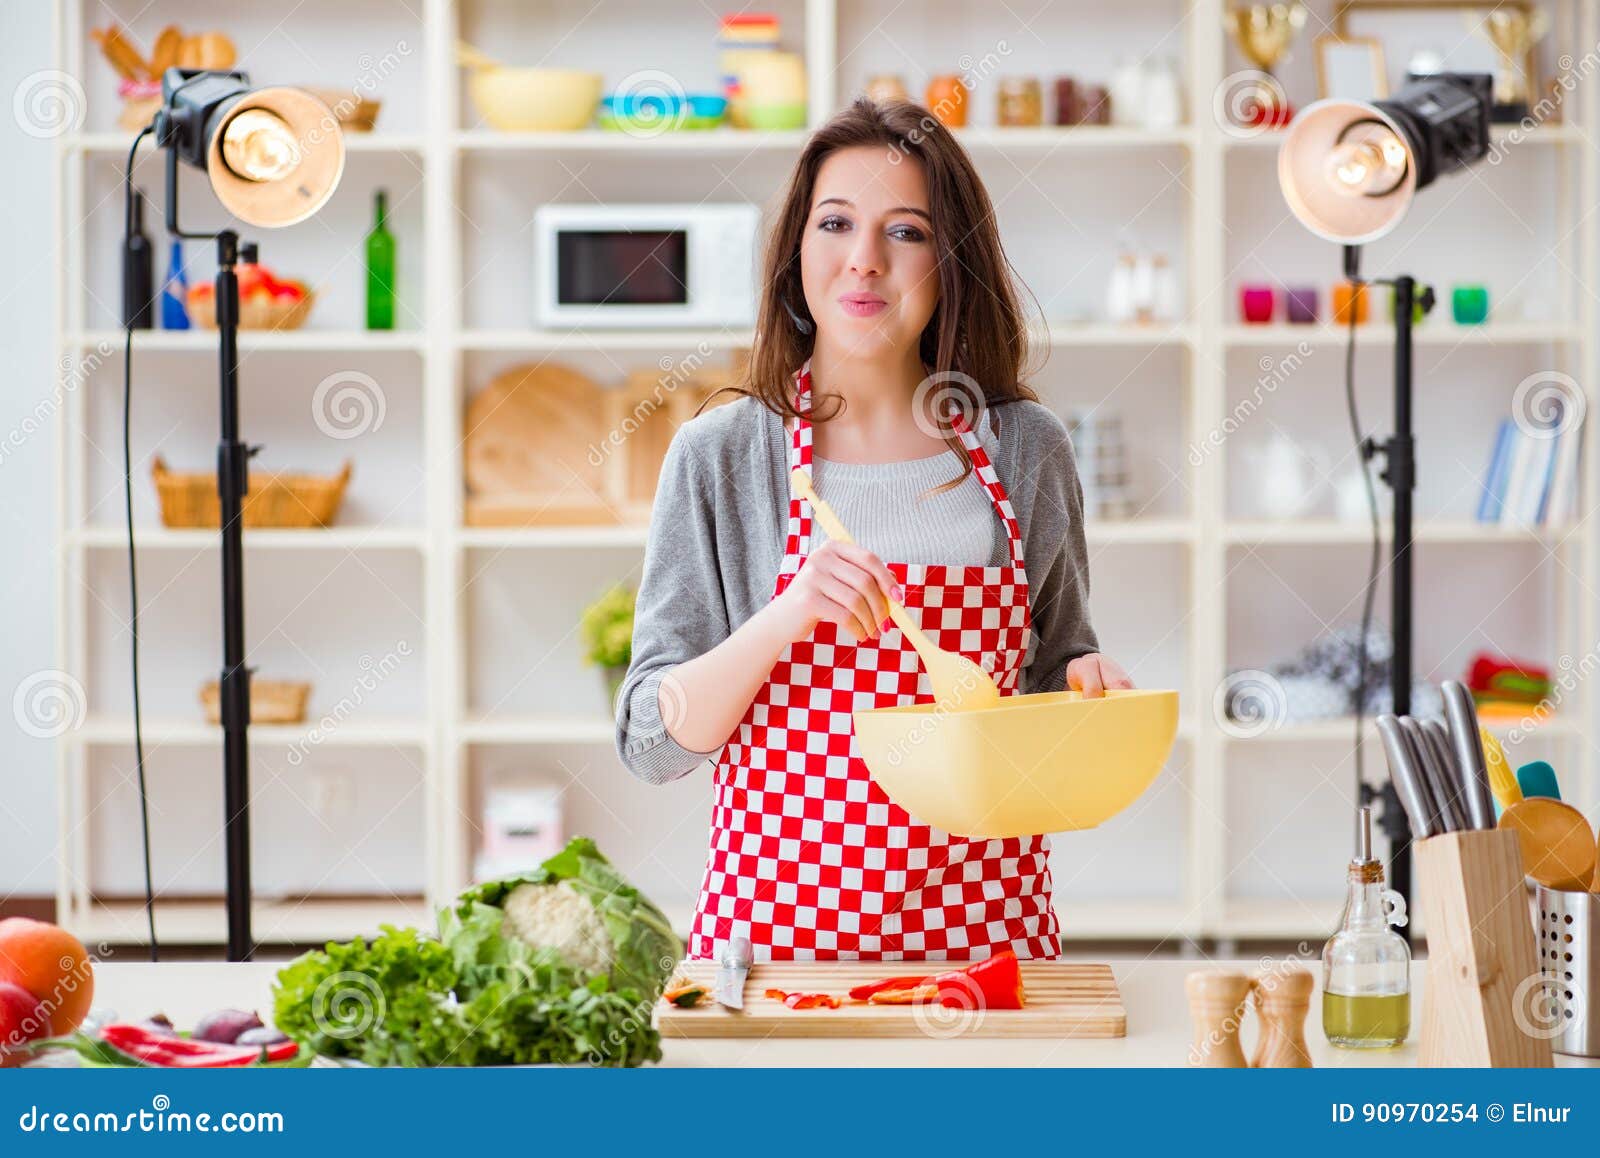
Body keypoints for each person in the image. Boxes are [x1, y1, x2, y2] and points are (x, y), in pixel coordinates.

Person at [615, 98, 1133, 962]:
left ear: (950, 260)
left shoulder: (1024, 448)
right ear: (796, 254)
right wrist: (785, 616)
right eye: (836, 223)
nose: (864, 262)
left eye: (906, 232)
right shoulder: (722, 455)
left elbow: (1049, 675)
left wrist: (1083, 687)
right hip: (775, 952)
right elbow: (651, 744)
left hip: (985, 944)